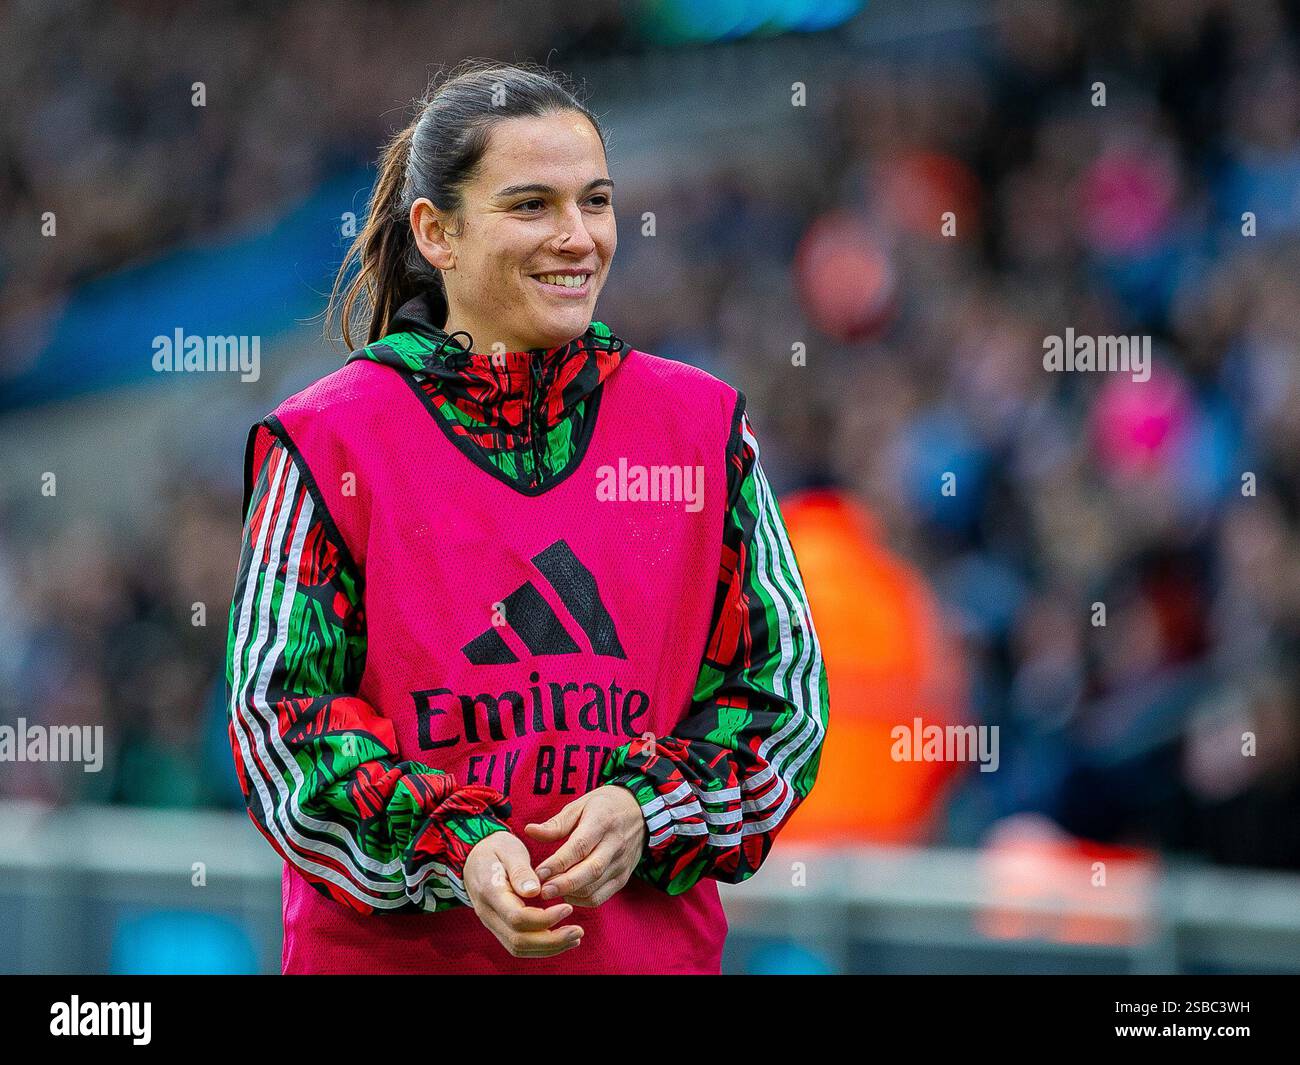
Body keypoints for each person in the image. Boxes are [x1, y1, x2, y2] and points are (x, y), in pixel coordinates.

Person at [224, 59, 828, 974]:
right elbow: (282, 723)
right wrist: (456, 845)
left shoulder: (705, 431)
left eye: (596, 201)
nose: (577, 237)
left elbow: (780, 704)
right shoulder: (326, 443)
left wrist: (647, 807)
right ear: (437, 232)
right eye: (532, 205)